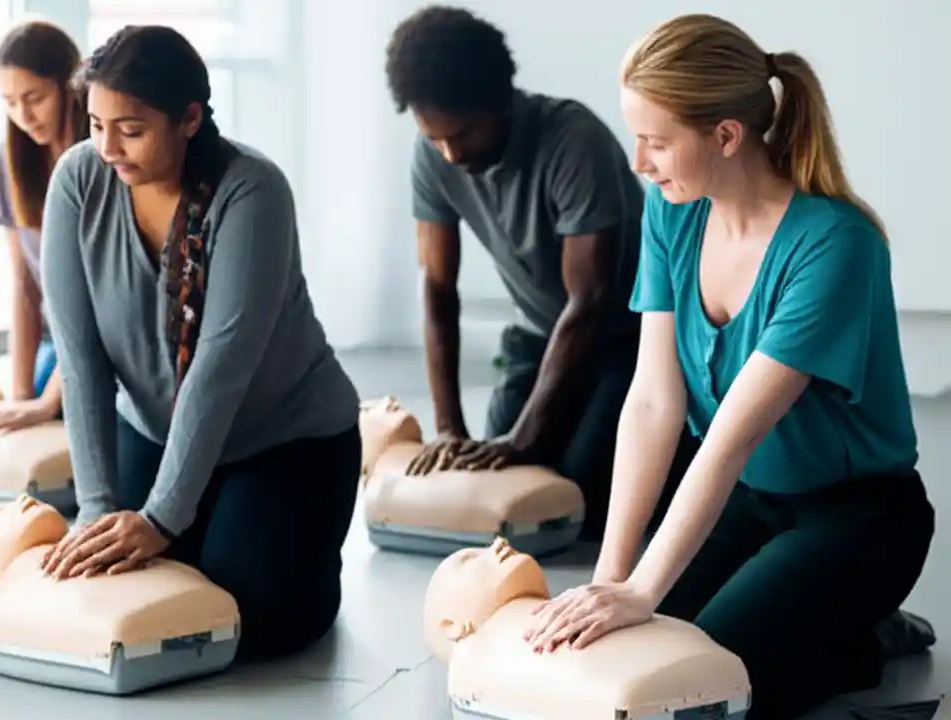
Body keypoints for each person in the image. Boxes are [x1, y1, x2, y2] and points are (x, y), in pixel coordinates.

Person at [521, 14, 936, 720]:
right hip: (745, 503)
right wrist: (613, 580)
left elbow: (731, 435)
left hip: (858, 519)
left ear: (726, 136)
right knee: (631, 647)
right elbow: (654, 400)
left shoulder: (836, 244)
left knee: (704, 683)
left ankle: (862, 638)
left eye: (655, 143)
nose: (638, 164)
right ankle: (812, 618)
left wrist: (645, 590)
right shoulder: (672, 211)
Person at [36, 25, 362, 661]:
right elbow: (79, 360)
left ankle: (306, 560)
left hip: (285, 439)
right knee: (124, 578)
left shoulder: (253, 191)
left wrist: (160, 519)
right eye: (96, 124)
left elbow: (220, 367)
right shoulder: (78, 179)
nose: (107, 147)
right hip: (155, 434)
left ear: (189, 118)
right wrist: (99, 508)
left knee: (248, 612)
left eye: (130, 129)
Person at [384, 6, 650, 539]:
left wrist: (525, 438)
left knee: (571, 498)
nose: (451, 154)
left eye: (462, 133)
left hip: (627, 341)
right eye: (435, 139)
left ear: (500, 100)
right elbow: (438, 288)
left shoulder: (575, 141)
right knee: (503, 486)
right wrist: (448, 428)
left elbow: (591, 304)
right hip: (537, 337)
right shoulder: (433, 154)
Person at [0, 19, 88, 438]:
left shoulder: (100, 163)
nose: (23, 115)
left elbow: (100, 308)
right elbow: (23, 284)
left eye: (34, 98)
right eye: (10, 101)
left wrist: (46, 403)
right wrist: (19, 394)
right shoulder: (11, 160)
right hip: (57, 341)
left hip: (105, 347)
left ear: (70, 86)